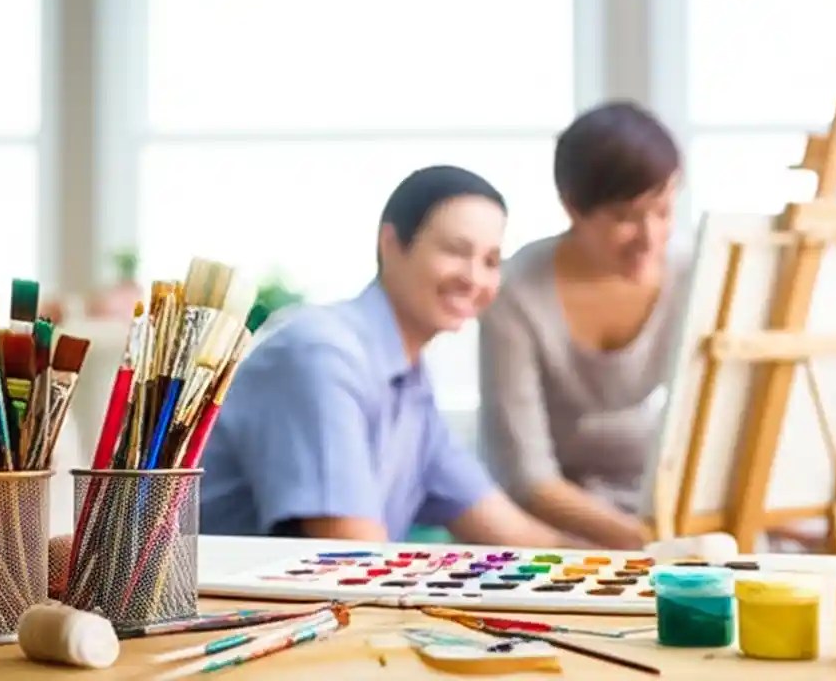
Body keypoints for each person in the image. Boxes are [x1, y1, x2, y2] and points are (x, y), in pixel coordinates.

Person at [200, 165, 572, 546]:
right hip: (211, 602)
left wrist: (626, 567)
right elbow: (350, 557)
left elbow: (511, 532)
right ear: (390, 244)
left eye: (491, 261)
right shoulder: (322, 356)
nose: (474, 278)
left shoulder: (410, 383)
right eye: (455, 251)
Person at [476, 101, 692, 549]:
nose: (649, 238)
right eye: (625, 218)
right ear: (572, 208)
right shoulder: (515, 294)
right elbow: (527, 478)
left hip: (654, 499)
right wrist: (652, 543)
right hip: (550, 513)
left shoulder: (691, 278)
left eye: (664, 211)